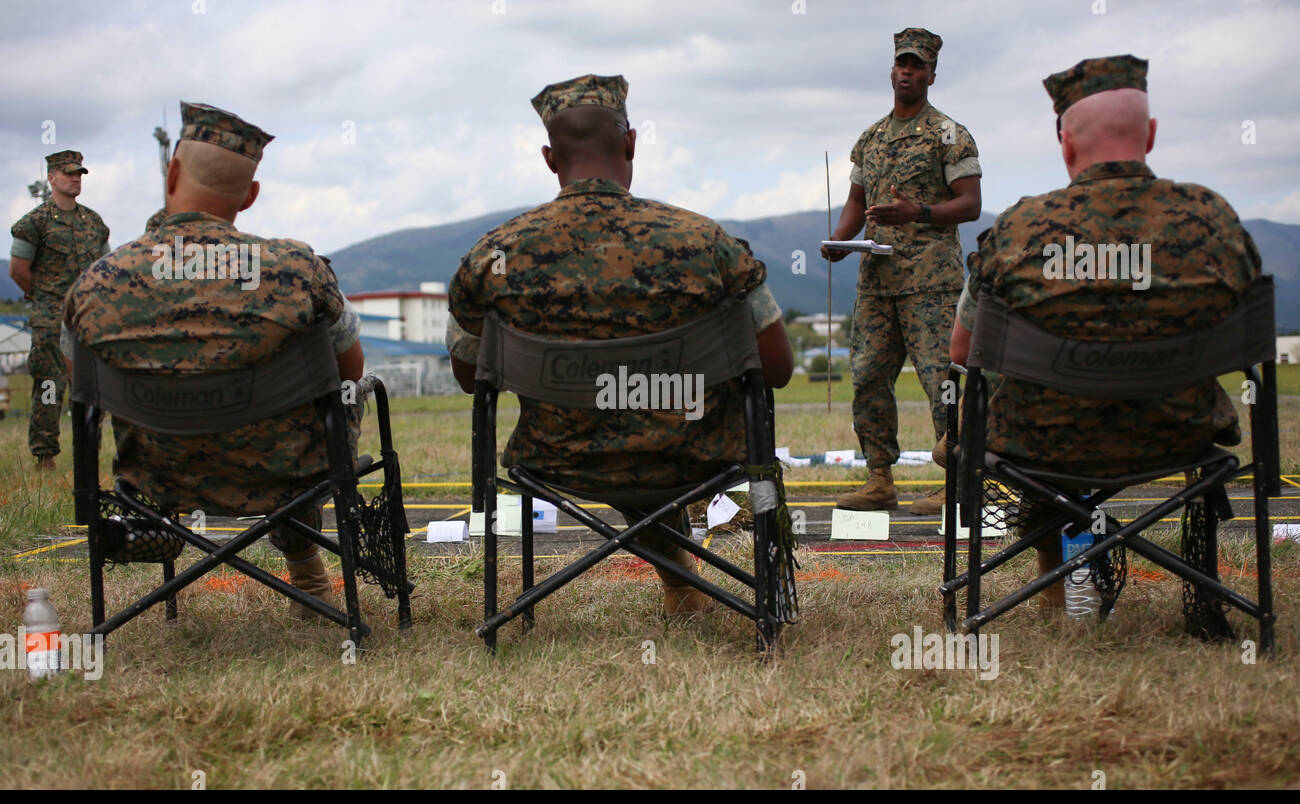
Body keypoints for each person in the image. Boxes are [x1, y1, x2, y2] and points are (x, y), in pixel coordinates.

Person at [446, 73, 794, 617]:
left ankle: (676, 584)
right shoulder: (707, 244)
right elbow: (776, 367)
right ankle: (687, 584)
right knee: (653, 424)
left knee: (621, 425)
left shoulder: (493, 256)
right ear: (630, 143)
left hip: (557, 455)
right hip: (693, 452)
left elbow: (471, 378)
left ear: (548, 157)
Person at [949, 54, 1262, 612]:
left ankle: (1050, 589)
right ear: (1151, 135)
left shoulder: (1018, 231)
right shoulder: (1214, 220)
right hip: (1177, 433)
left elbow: (962, 351)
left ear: (1065, 143)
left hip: (1041, 443)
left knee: (984, 424)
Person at [64, 102, 365, 620]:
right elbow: (350, 371)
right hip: (286, 475)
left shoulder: (97, 282)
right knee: (340, 402)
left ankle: (152, 534)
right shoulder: (297, 270)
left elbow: (82, 386)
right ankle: (309, 574)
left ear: (172, 172)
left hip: (156, 478)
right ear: (250, 197)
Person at [822, 27, 982, 515]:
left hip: (931, 282)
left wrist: (921, 214)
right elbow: (856, 201)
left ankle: (954, 480)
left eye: (917, 65)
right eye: (901, 64)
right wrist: (841, 242)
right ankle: (879, 479)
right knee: (868, 375)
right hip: (877, 283)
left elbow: (971, 205)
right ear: (892, 71)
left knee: (941, 381)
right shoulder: (869, 138)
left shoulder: (949, 134)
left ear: (931, 74)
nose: (907, 72)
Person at [9, 150, 110, 471]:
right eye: (68, 174)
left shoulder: (93, 222)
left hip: (87, 318)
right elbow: (17, 270)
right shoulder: (34, 224)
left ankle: (89, 452)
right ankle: (46, 457)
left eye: (79, 174)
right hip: (52, 318)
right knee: (51, 387)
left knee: (92, 386)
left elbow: (105, 268)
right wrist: (44, 297)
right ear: (51, 178)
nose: (75, 179)